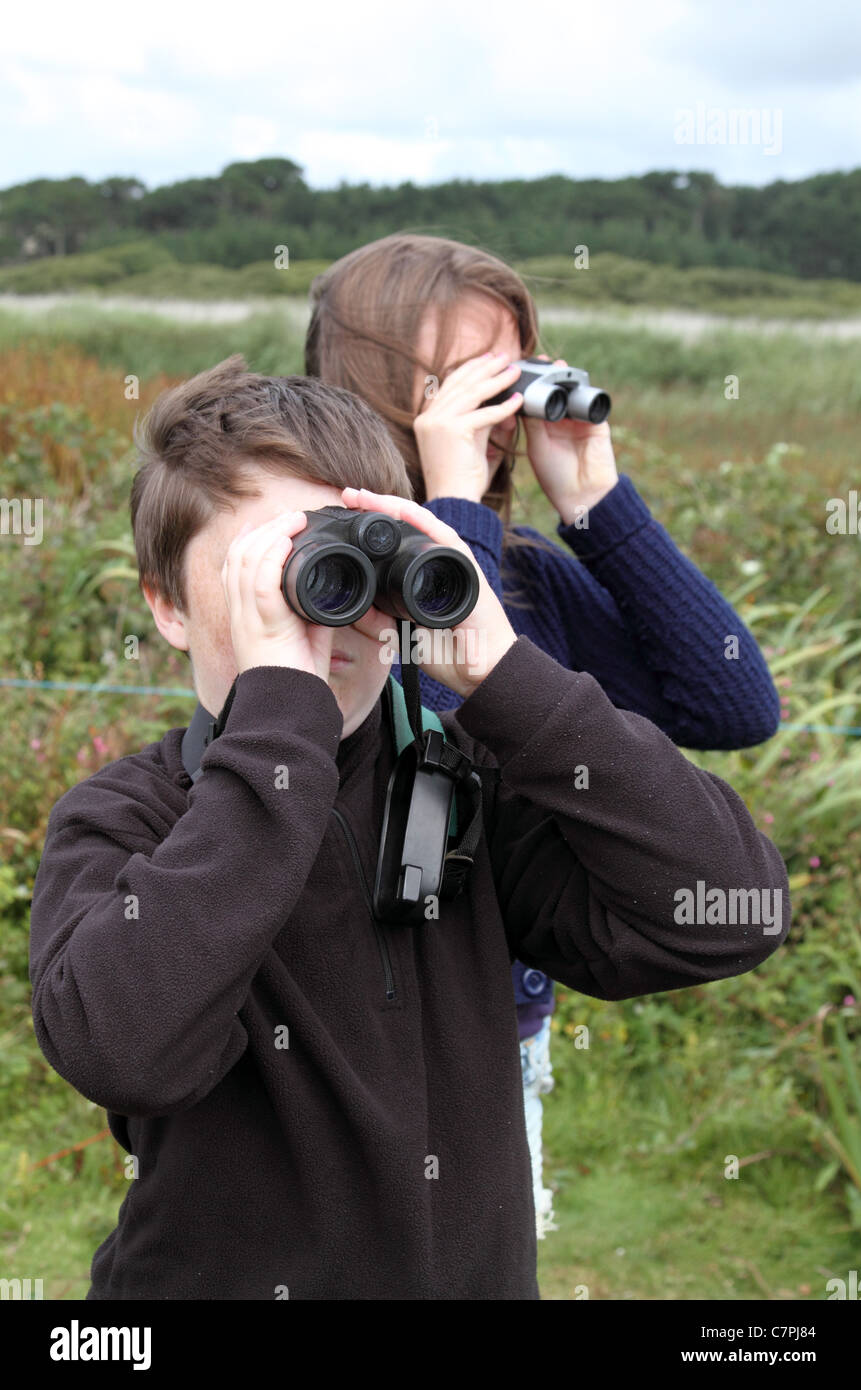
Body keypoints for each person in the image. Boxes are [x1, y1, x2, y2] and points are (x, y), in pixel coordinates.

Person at [29, 357, 790, 1300]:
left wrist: (513, 681)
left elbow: (729, 914)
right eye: (282, 570)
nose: (327, 615)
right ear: (168, 604)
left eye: (352, 565)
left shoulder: (464, 782)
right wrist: (280, 721)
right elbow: (125, 1051)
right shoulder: (126, 818)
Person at [304, 233, 781, 1236]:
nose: (496, 411)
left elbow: (729, 705)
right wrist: (444, 508)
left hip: (497, 1032)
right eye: (460, 382)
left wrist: (596, 504)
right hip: (343, 1036)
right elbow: (424, 746)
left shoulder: (518, 573)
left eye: (510, 375)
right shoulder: (319, 575)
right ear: (380, 386)